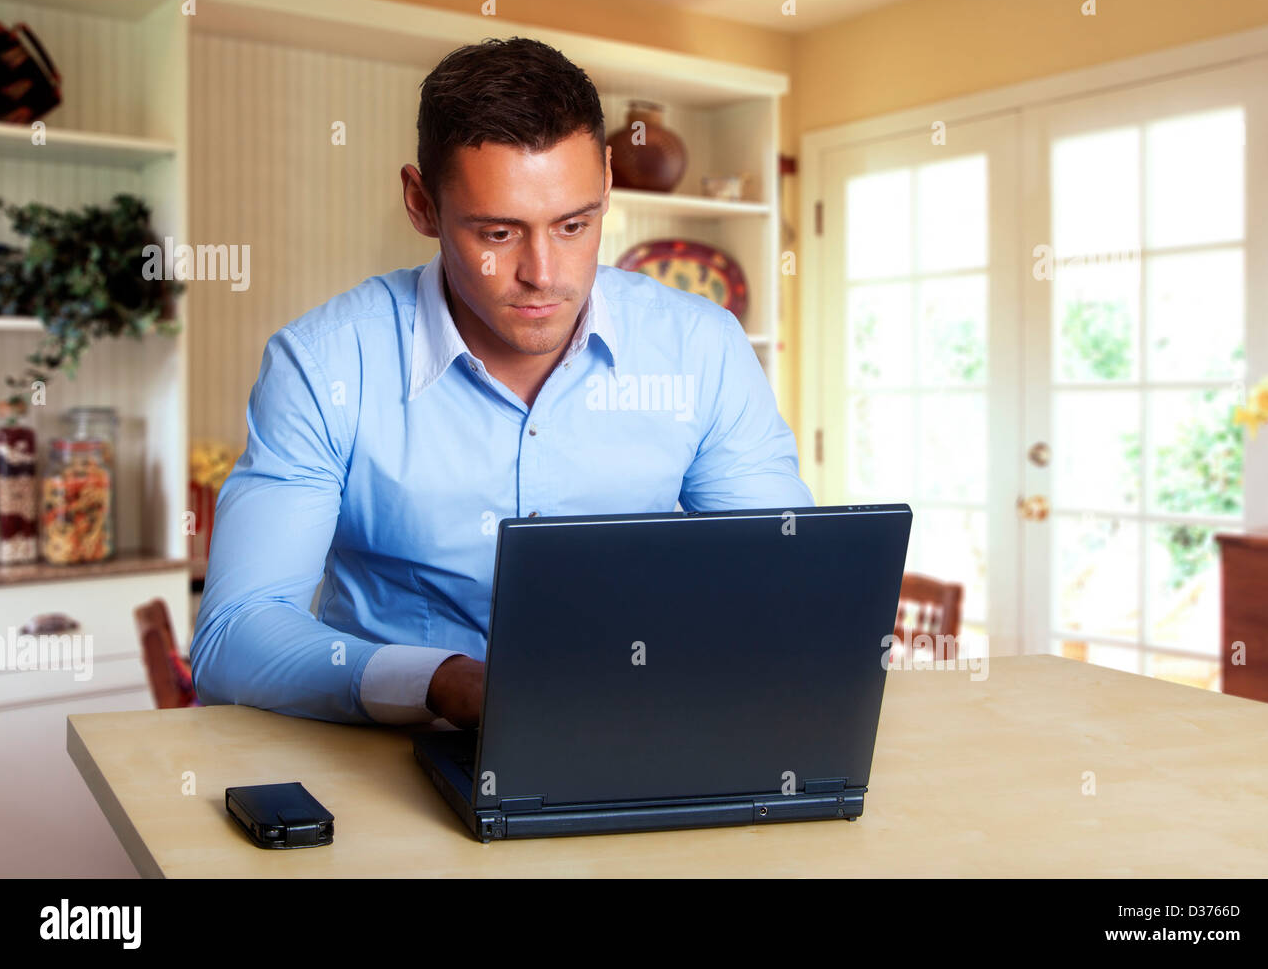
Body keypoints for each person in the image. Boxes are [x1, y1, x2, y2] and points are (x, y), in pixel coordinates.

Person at [190, 36, 813, 729]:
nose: (544, 273)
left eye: (575, 224)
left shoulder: (701, 348)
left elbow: (784, 585)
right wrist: (440, 683)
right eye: (497, 233)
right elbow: (234, 636)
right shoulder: (324, 365)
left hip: (635, 739)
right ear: (422, 203)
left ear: (608, 181)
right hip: (392, 765)